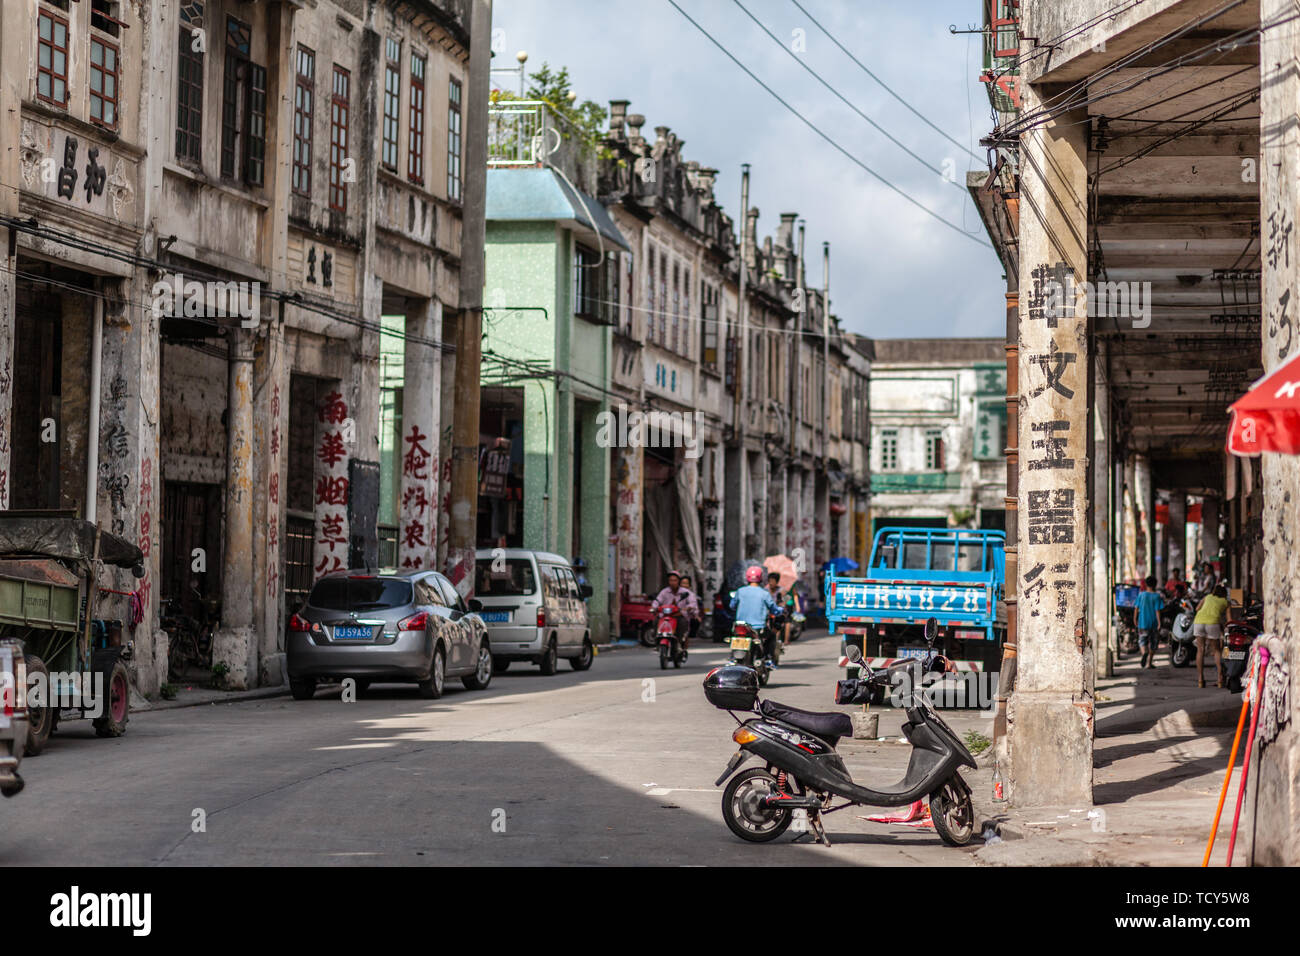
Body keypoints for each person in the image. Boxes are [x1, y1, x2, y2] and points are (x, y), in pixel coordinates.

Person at [730, 566, 778, 659]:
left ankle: (733, 658)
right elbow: (773, 608)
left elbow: (732, 606)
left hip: (741, 626)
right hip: (758, 627)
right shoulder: (764, 593)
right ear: (760, 578)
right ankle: (768, 659)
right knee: (771, 636)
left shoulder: (740, 591)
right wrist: (780, 610)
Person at [1193, 583, 1230, 688]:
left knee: (1200, 650)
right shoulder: (1226, 602)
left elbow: (1197, 609)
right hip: (1212, 623)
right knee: (1217, 650)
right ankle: (1220, 679)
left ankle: (1200, 680)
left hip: (1198, 622)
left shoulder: (1207, 597)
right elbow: (1229, 619)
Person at [650, 570, 695, 651]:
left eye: (675, 580)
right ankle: (657, 642)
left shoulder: (685, 592)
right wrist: (654, 607)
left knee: (683, 623)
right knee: (656, 621)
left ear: (678, 581)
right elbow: (657, 600)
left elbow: (692, 603)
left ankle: (679, 642)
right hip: (665, 615)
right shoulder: (664, 591)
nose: (672, 582)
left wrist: (688, 607)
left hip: (678, 615)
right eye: (670, 580)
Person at [1135, 575, 1164, 669]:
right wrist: (1159, 623)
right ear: (1155, 585)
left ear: (1146, 584)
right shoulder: (1157, 596)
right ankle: (1149, 663)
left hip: (1142, 622)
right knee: (1153, 643)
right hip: (1153, 623)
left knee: (1142, 641)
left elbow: (1136, 608)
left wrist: (1134, 619)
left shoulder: (1141, 595)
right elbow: (1157, 611)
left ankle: (1144, 653)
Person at [766, 572, 791, 648]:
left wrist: (782, 603)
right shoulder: (765, 590)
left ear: (776, 582)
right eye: (769, 581)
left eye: (773, 581)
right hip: (768, 611)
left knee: (778, 623)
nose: (771, 583)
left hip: (778, 612)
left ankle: (776, 641)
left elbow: (787, 598)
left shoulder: (781, 590)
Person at [677, 574, 702, 646]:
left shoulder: (691, 595)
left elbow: (694, 606)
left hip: (685, 617)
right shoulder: (674, 593)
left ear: (689, 585)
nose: (684, 585)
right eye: (682, 583)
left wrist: (693, 612)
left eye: (686, 583)